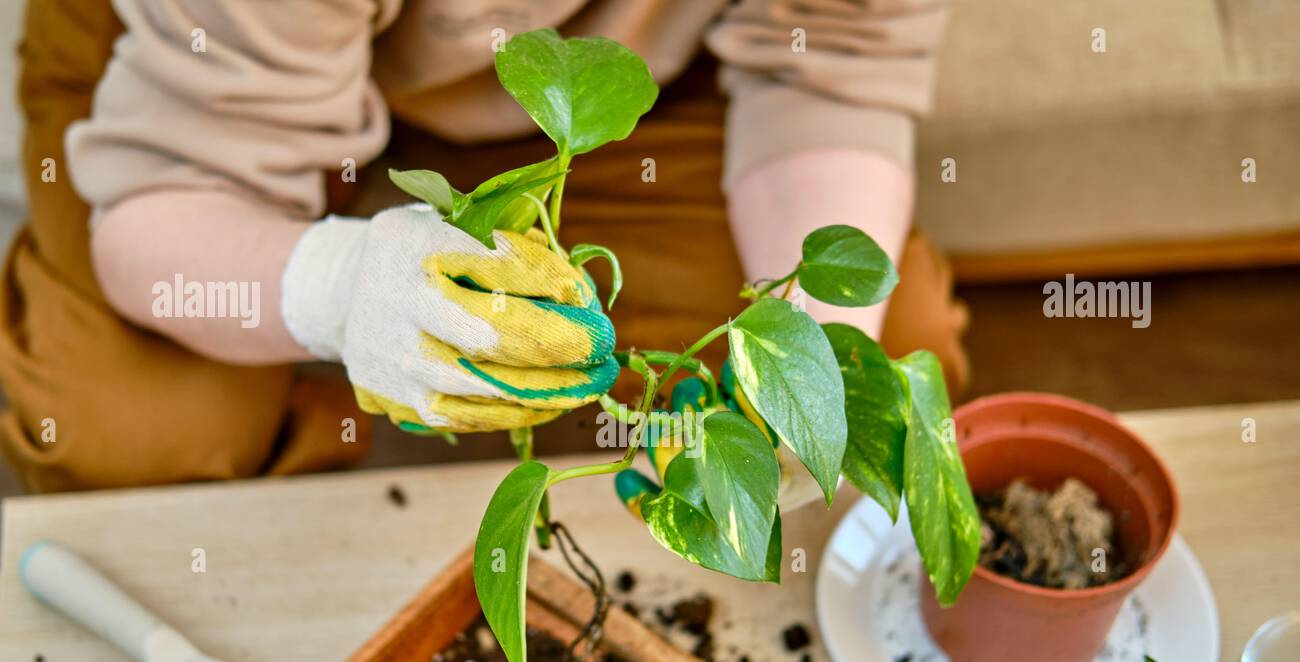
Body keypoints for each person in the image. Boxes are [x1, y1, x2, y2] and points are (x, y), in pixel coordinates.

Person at [0, 0, 968, 492]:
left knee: (879, 351)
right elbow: (166, 206)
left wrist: (806, 342)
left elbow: (829, 69)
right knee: (135, 428)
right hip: (206, 79)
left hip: (604, 73)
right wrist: (342, 291)